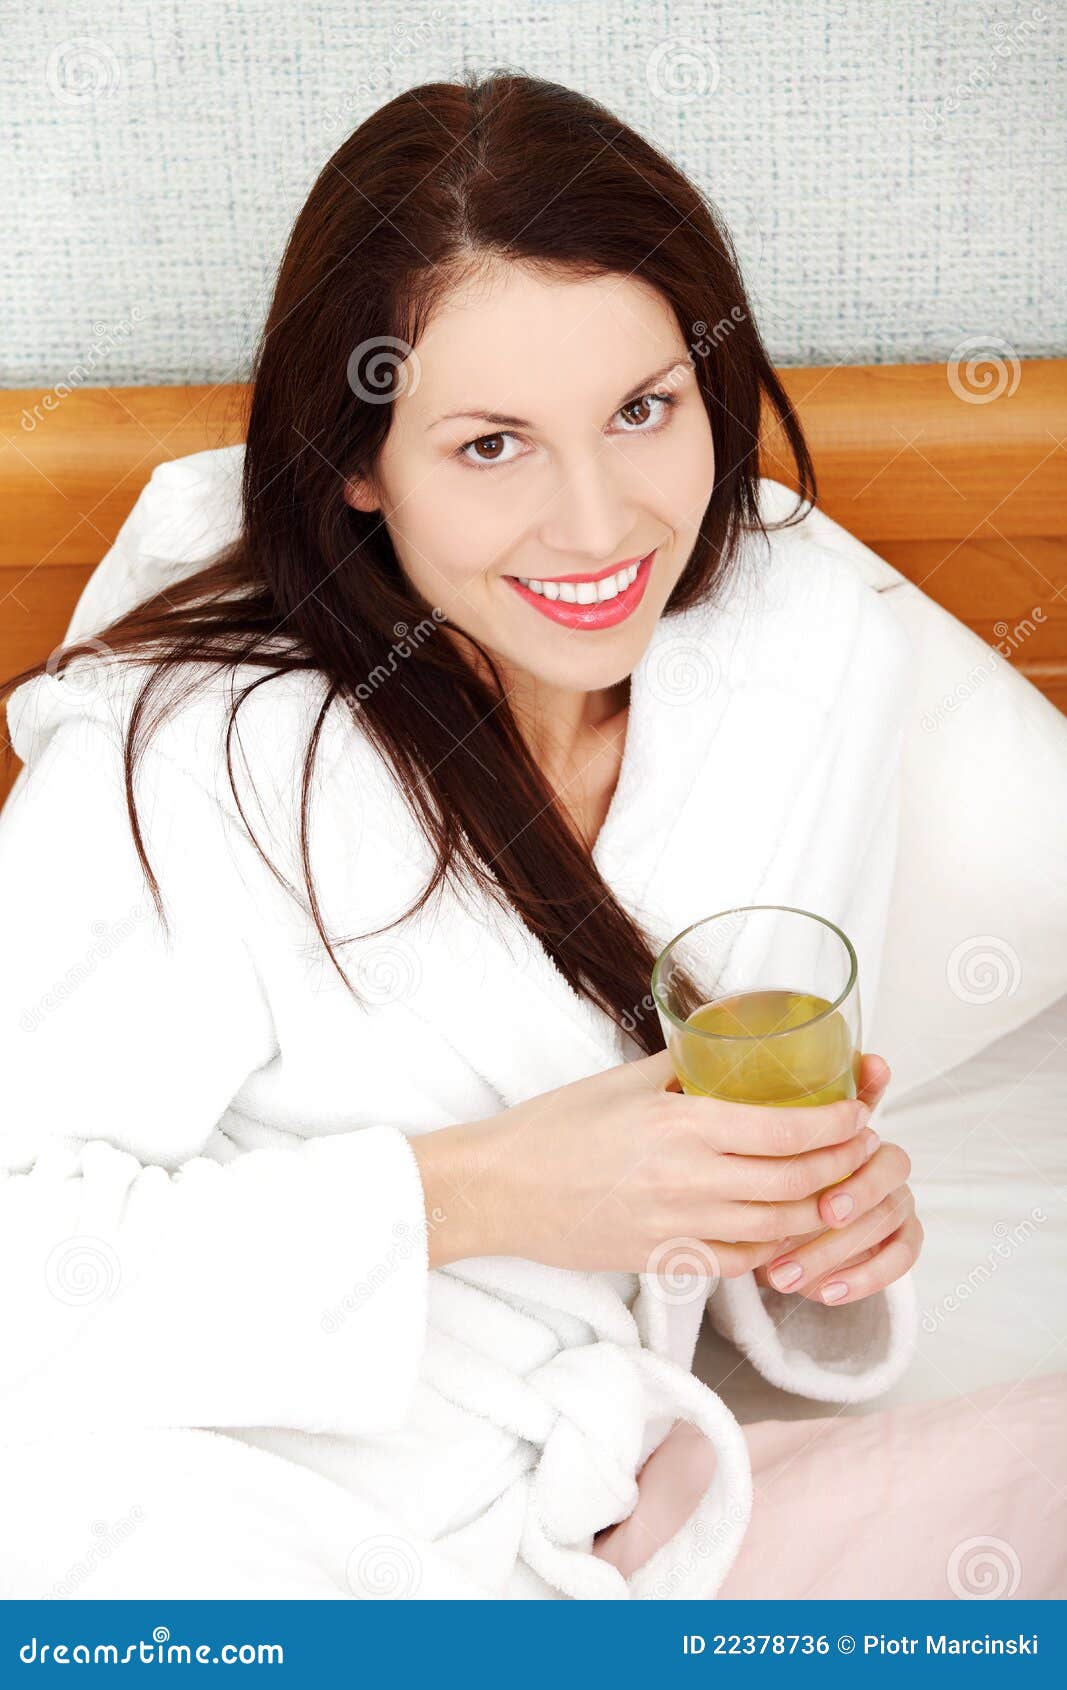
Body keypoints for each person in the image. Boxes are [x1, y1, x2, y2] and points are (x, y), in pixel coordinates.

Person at [0, 69, 921, 1601]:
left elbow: (748, 1131)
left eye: (644, 409)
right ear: (357, 465)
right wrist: (467, 1195)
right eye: (491, 444)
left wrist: (808, 1225)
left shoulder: (810, 661)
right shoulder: (192, 765)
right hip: (189, 1508)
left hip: (582, 1498)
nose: (597, 524)